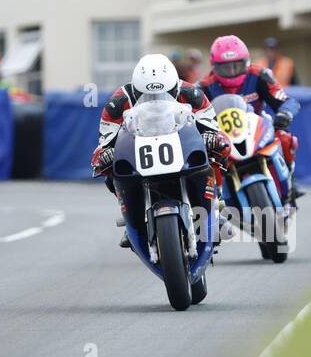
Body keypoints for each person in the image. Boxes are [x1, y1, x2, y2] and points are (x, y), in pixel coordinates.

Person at [91, 53, 232, 248]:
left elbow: (212, 127)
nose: (156, 100)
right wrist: (105, 154)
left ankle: (216, 202)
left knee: (219, 149)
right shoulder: (117, 102)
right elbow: (105, 141)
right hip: (140, 150)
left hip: (181, 145)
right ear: (135, 89)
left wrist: (211, 137)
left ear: (174, 86)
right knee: (111, 172)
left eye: (164, 93)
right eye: (147, 96)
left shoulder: (192, 93)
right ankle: (131, 217)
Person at [198, 35, 303, 203]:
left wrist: (285, 113)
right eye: (226, 68)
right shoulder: (204, 86)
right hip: (224, 140)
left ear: (246, 62)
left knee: (284, 137)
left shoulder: (260, 75)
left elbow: (285, 100)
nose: (232, 71)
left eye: (237, 65)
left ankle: (290, 180)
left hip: (257, 130)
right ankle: (216, 200)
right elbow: (194, 115)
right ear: (214, 66)